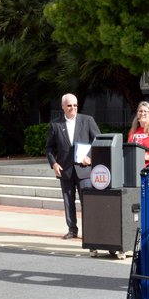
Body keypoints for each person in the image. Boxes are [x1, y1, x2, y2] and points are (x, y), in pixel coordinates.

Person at [45, 93, 100, 239]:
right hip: (65, 169)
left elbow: (99, 141)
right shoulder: (55, 124)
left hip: (84, 170)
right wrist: (54, 163)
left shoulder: (87, 120)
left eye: (75, 105)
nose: (72, 108)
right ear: (63, 106)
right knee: (68, 201)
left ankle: (89, 230)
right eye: (69, 105)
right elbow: (49, 148)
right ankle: (72, 229)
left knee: (87, 202)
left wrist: (90, 157)